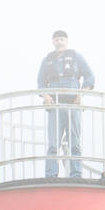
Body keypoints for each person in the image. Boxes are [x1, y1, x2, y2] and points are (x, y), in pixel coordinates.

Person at [37, 31, 95, 178]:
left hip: (72, 106)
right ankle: (51, 175)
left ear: (67, 41)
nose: (59, 42)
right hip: (55, 106)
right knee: (53, 144)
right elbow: (40, 82)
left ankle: (76, 174)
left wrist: (81, 94)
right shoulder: (47, 60)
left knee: (74, 142)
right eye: (56, 39)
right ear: (53, 42)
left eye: (61, 39)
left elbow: (89, 76)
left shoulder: (76, 56)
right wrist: (46, 95)